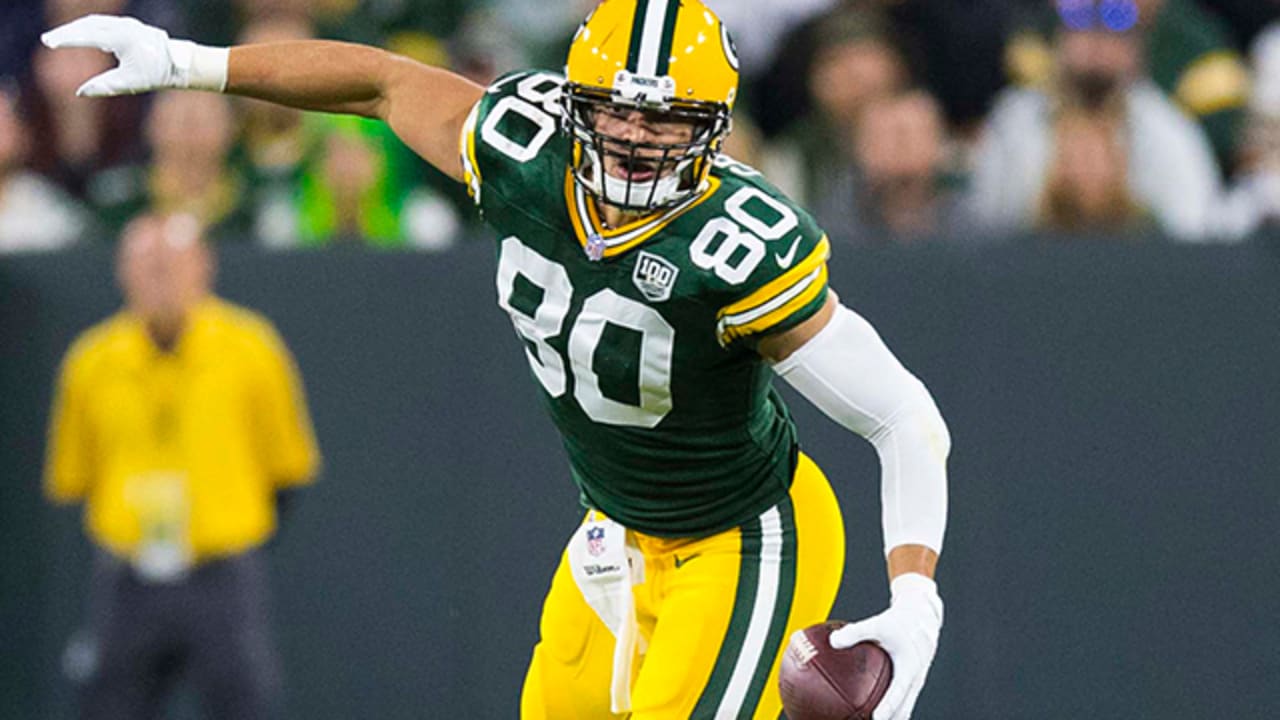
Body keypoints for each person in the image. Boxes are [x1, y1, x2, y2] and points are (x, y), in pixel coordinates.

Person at [41, 2, 950, 718]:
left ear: (712, 130)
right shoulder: (522, 149)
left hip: (743, 537)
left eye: (666, 121)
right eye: (616, 112)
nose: (636, 140)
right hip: (616, 531)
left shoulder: (737, 244)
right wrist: (191, 63)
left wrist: (915, 599)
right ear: (573, 104)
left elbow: (902, 416)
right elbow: (383, 83)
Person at [44, 212, 321, 720]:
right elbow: (75, 478)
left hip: (220, 572)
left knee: (245, 705)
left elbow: (287, 469)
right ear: (122, 271)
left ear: (203, 266)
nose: (161, 277)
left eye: (172, 262)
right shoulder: (91, 363)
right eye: (148, 264)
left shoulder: (251, 349)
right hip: (127, 575)